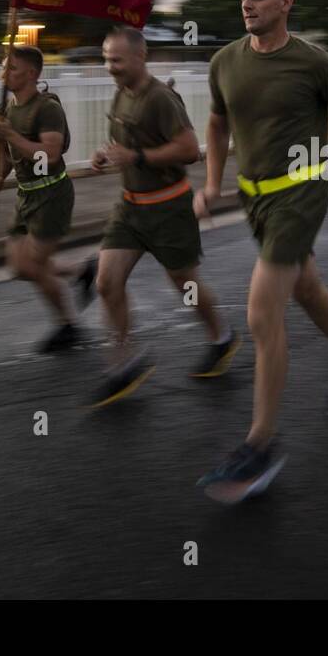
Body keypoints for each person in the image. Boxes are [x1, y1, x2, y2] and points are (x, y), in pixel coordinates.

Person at [194, 0, 328, 504]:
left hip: (302, 192)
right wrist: (211, 184)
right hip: (255, 198)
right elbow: (216, 123)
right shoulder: (224, 61)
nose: (247, 5)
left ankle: (261, 444)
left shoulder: (314, 61)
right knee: (303, 286)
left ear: (285, 3)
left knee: (261, 310)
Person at [87, 26, 240, 407]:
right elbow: (128, 144)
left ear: (141, 57)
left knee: (185, 286)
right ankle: (125, 362)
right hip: (130, 208)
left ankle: (222, 337)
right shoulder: (122, 93)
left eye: (117, 60)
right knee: (106, 282)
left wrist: (136, 158)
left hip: (169, 207)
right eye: (106, 59)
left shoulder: (161, 98)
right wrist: (107, 155)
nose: (110, 67)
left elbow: (190, 149)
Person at [0, 45, 93, 351]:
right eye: (3, 67)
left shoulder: (47, 108)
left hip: (51, 193)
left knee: (34, 265)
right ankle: (81, 269)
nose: (4, 74)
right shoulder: (8, 109)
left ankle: (67, 325)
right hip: (25, 195)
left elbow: (50, 154)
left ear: (32, 74)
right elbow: (11, 155)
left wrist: (11, 136)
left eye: (12, 68)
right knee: (19, 267)